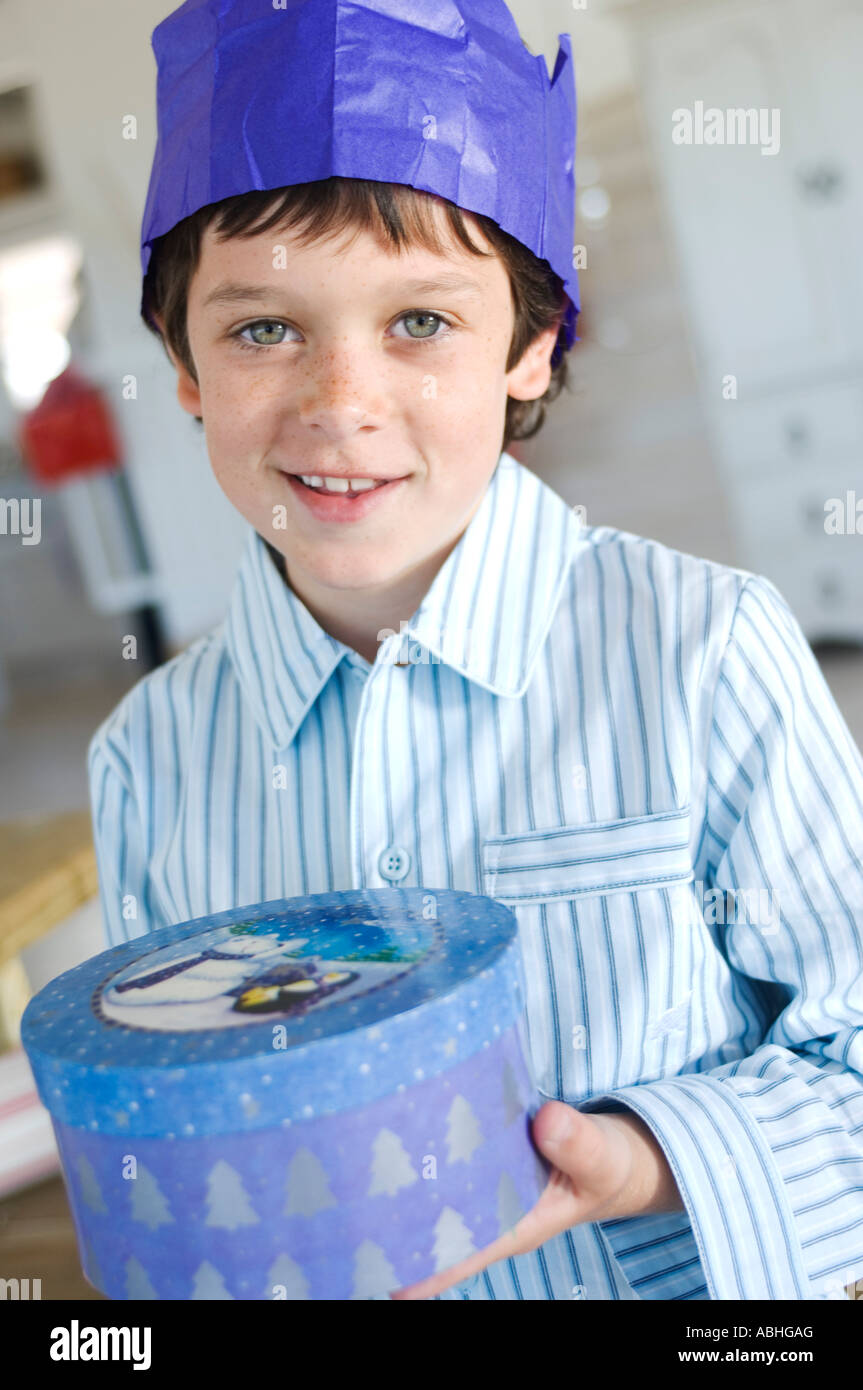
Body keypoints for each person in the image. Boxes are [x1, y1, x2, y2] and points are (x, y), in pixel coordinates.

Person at [87, 0, 863, 1301]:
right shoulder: (147, 761)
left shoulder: (704, 653)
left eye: (421, 323)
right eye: (262, 328)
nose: (342, 401)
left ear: (532, 342)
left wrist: (644, 1157)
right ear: (184, 367)